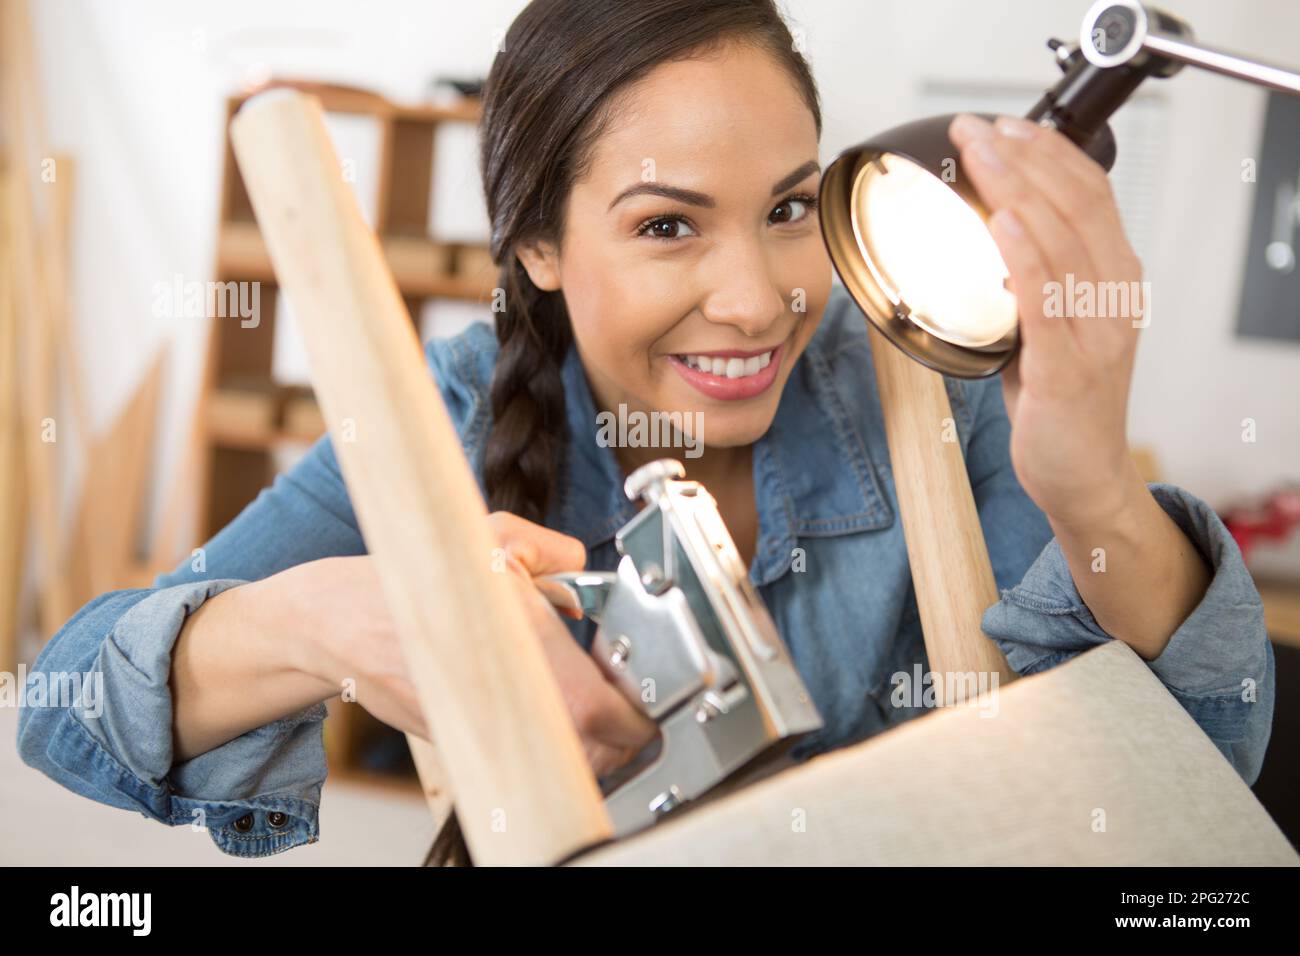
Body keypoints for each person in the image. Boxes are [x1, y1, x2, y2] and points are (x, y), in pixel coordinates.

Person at [18, 0, 1273, 866]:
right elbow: (64, 708)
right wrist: (319, 622)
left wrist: (1094, 489)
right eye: (667, 225)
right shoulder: (438, 418)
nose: (757, 294)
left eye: (788, 206)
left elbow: (1193, 770)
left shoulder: (921, 384)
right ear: (539, 248)